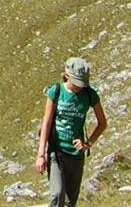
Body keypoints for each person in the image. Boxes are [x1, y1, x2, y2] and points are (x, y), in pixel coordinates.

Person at [35, 56, 107, 207]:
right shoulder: (56, 92)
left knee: (69, 202)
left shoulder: (90, 95)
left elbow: (102, 123)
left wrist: (88, 143)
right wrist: (41, 154)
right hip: (56, 151)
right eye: (76, 83)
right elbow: (46, 123)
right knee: (56, 195)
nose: (79, 87)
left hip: (76, 156)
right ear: (66, 76)